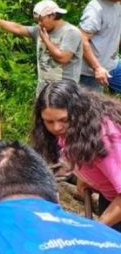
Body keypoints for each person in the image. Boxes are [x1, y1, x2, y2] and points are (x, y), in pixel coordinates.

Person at [33, 80, 121, 231]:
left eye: (63, 120)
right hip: (111, 197)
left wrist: (96, 228)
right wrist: (84, 176)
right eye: (49, 121)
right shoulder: (78, 128)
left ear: (78, 112)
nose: (56, 127)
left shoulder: (105, 138)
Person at [0, 0, 83, 95]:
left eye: (41, 20)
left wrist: (46, 40)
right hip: (44, 88)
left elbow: (63, 58)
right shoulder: (40, 30)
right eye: (37, 21)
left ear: (52, 15)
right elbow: (18, 28)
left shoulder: (70, 32)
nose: (39, 24)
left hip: (65, 90)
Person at [79, 0, 121, 93]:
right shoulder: (96, 9)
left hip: (112, 64)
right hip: (91, 71)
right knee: (92, 108)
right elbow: (82, 40)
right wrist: (97, 68)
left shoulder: (117, 5)